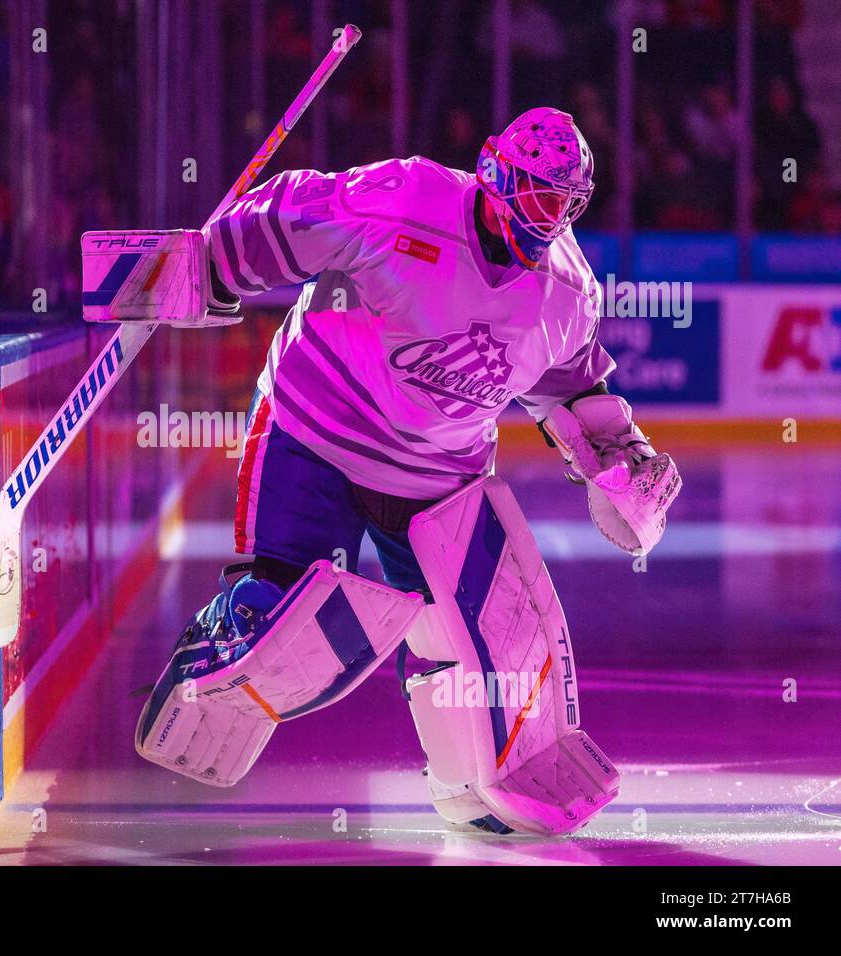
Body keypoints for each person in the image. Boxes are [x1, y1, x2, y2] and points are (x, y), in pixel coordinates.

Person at [135, 107, 681, 835]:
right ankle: (213, 646)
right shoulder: (409, 198)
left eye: (566, 202)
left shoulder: (567, 290)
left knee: (478, 650)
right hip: (317, 433)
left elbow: (569, 387)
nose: (550, 217)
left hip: (437, 477)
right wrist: (209, 263)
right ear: (497, 175)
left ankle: (467, 788)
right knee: (279, 613)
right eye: (540, 194)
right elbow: (300, 210)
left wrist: (619, 456)